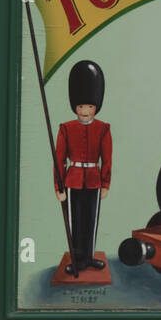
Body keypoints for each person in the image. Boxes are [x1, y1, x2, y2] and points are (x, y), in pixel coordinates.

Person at [53, 59, 111, 276]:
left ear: (96, 106)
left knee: (91, 220)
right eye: (81, 106)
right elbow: (59, 160)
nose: (85, 110)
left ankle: (89, 257)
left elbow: (107, 158)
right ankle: (77, 259)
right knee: (75, 222)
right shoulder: (66, 128)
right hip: (72, 180)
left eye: (89, 106)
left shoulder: (103, 129)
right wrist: (58, 186)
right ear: (74, 106)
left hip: (94, 180)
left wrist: (105, 183)